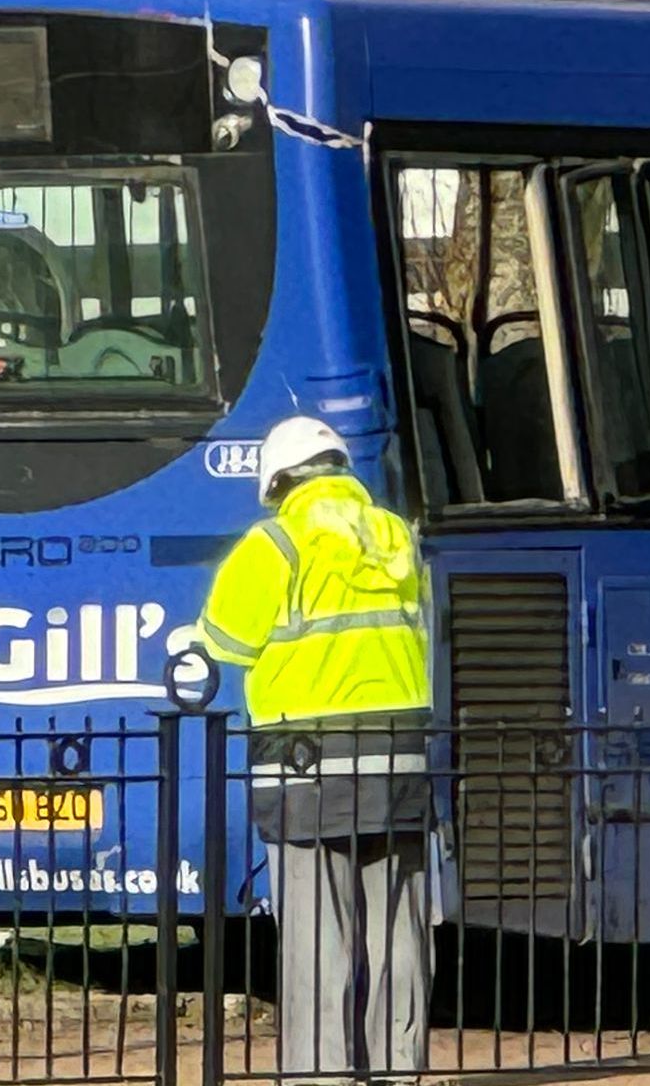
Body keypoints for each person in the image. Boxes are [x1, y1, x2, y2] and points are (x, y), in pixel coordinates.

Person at [193, 414, 434, 1082]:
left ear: (277, 481)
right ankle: (399, 1069)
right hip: (399, 758)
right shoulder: (396, 536)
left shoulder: (276, 543)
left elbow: (223, 643)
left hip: (307, 765)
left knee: (318, 936)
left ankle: (320, 1076)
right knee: (400, 936)